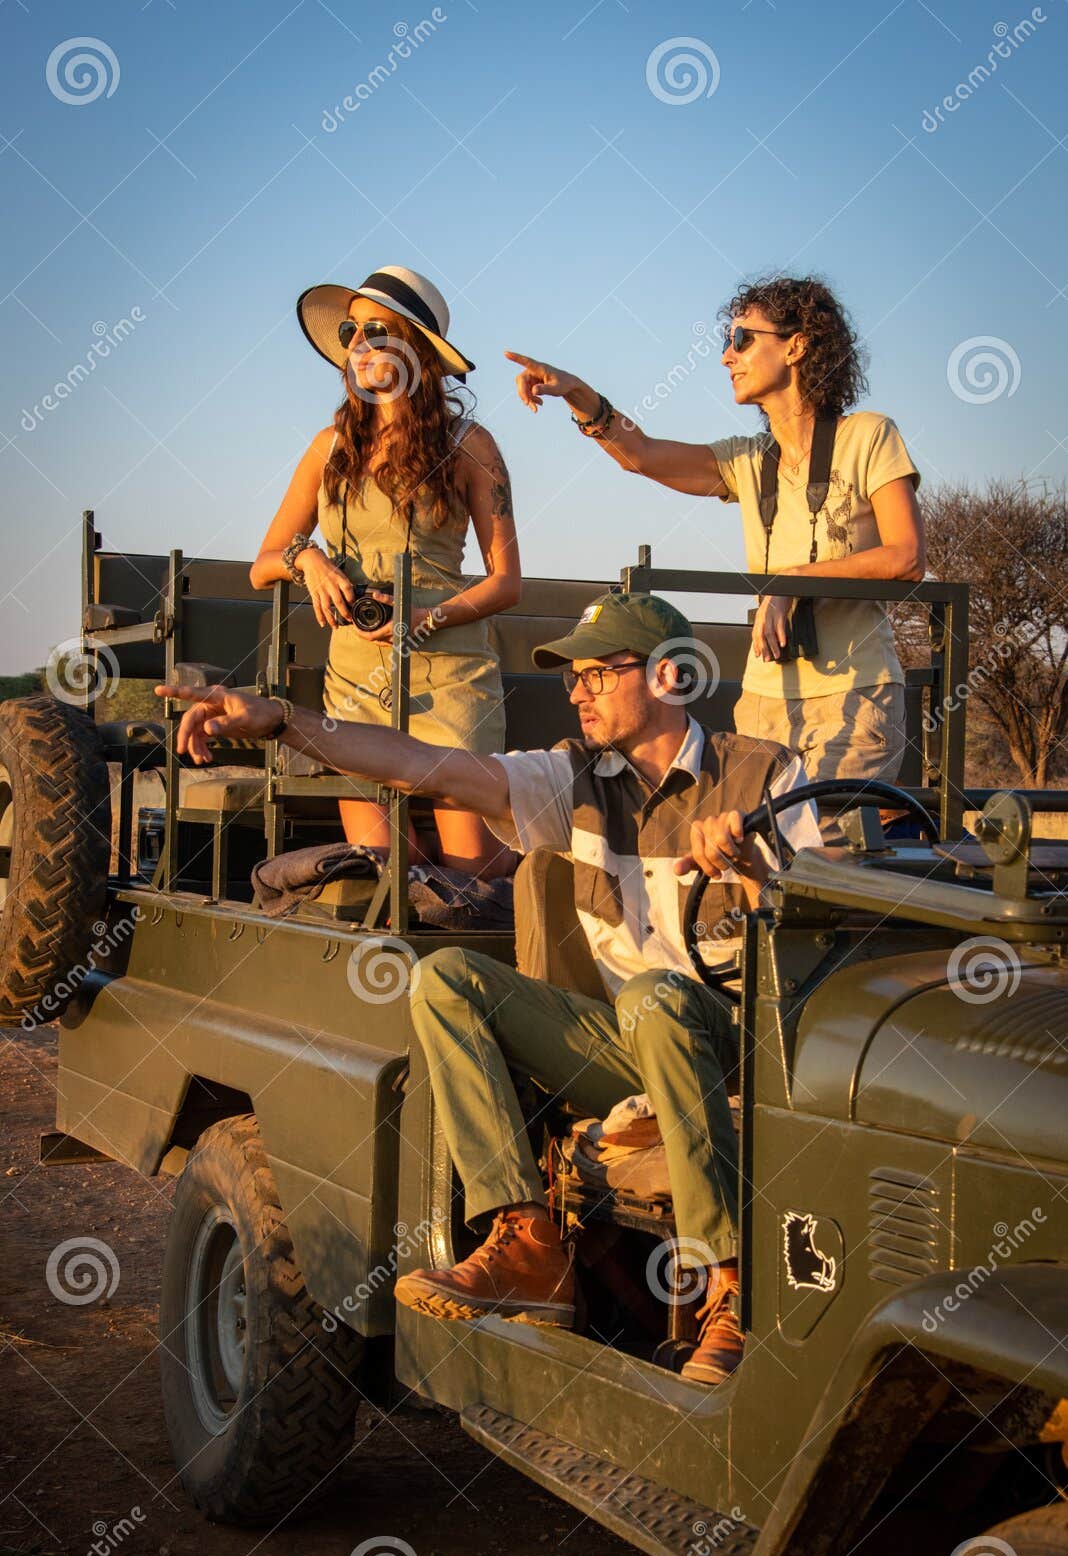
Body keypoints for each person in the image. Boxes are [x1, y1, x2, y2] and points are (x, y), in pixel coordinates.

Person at [156, 592, 820, 1387]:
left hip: (740, 1047)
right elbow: (414, 761)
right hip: (630, 1046)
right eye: (571, 677)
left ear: (670, 675)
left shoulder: (767, 775)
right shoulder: (570, 777)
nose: (577, 692)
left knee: (655, 997)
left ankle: (730, 1288)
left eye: (598, 674)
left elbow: (826, 942)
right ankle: (528, 1243)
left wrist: (753, 878)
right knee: (445, 980)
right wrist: (279, 722)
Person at [505, 274, 925, 789]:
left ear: (797, 346)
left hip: (855, 696)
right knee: (755, 857)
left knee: (813, 854)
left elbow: (906, 557)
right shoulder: (748, 458)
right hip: (764, 701)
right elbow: (642, 456)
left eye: (742, 339)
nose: (727, 356)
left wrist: (789, 582)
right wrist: (577, 393)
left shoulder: (869, 435)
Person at [251, 265, 520, 878]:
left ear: (415, 348)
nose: (359, 343)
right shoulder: (328, 448)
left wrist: (427, 616)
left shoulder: (471, 446)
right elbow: (262, 563)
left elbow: (507, 581)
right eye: (351, 331)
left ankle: (555, 870)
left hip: (449, 670)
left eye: (377, 328)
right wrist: (308, 559)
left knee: (471, 876)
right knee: (381, 869)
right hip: (355, 677)